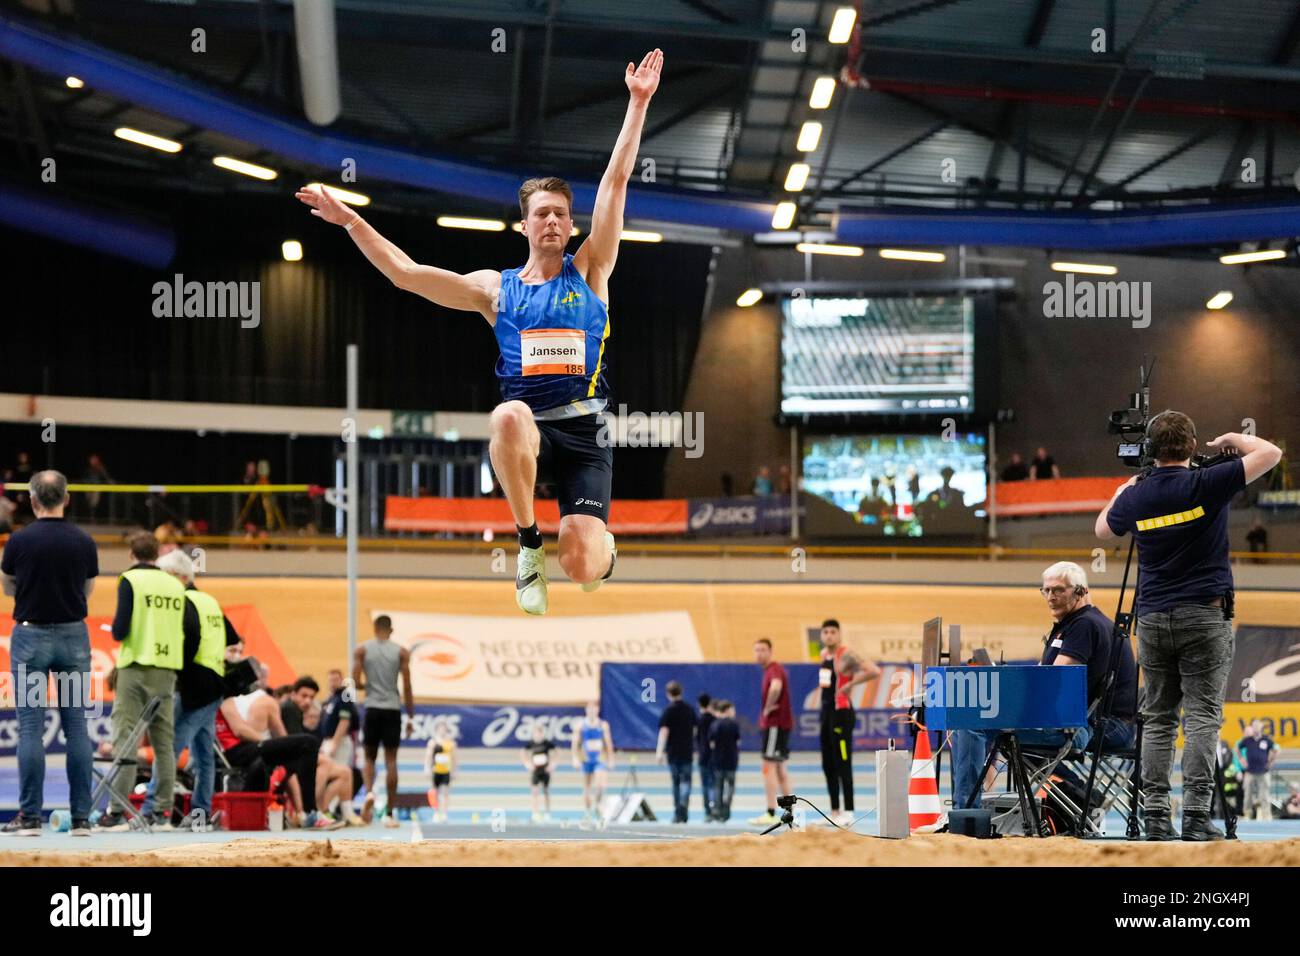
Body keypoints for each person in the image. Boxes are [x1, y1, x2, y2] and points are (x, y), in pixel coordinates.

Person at [296, 50, 665, 617]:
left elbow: (615, 184)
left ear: (571, 225)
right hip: (527, 431)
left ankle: (597, 550)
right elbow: (407, 275)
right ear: (523, 224)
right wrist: (351, 220)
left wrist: (637, 103)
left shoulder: (592, 269)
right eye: (540, 213)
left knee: (584, 567)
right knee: (507, 415)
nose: (551, 221)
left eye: (560, 214)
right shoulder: (496, 289)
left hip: (586, 432)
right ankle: (526, 545)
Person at [1097, 413, 1281, 841]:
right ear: (1192, 443)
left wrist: (1121, 490)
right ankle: (1197, 818)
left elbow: (1103, 529)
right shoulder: (1207, 482)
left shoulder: (1137, 495)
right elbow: (1270, 454)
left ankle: (1156, 818)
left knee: (1158, 719)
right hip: (1205, 614)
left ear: (1149, 450)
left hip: (1155, 618)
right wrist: (1232, 440)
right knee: (1201, 718)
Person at [951, 562, 1138, 811]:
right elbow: (1043, 680)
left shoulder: (1085, 625)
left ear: (1081, 591)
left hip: (1092, 727)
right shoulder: (1073, 625)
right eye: (1046, 590)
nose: (1051, 597)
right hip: (1084, 721)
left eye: (1058, 590)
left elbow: (1049, 685)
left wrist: (1000, 703)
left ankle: (966, 814)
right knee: (1002, 733)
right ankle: (1083, 794)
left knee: (971, 722)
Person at [0, 470, 99, 836]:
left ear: (32, 499)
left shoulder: (18, 541)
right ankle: (82, 819)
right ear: (67, 499)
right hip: (74, 637)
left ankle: (29, 818)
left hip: (30, 637)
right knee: (76, 728)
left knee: (30, 729)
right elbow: (87, 589)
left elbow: (9, 586)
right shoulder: (84, 541)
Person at [137, 549, 241, 830]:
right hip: (213, 684)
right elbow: (233, 638)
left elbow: (191, 639)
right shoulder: (209, 601)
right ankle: (200, 814)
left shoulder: (181, 601)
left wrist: (176, 668)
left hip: (196, 687)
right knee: (204, 755)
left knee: (169, 747)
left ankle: (152, 811)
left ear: (177, 576)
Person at [99, 531, 191, 830]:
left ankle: (117, 811)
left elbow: (120, 629)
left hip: (135, 666)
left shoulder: (130, 580)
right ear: (157, 555)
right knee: (164, 742)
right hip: (166, 670)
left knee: (125, 737)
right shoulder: (176, 586)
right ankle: (162, 813)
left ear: (131, 555)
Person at [215, 682, 344, 830]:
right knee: (309, 742)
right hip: (239, 751)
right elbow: (240, 731)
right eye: (304, 695)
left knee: (298, 756)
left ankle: (305, 813)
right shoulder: (227, 700)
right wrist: (269, 743)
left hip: (245, 750)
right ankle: (310, 813)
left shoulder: (236, 702)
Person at [817, 618, 881, 826]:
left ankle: (850, 810)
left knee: (843, 762)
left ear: (839, 634)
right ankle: (834, 811)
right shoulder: (823, 655)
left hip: (841, 714)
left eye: (832, 632)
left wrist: (851, 684)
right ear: (821, 635)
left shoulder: (846, 654)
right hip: (826, 714)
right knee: (828, 764)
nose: (828, 635)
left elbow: (874, 670)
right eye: (825, 632)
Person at [353, 615, 414, 828]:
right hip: (392, 709)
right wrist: (411, 717)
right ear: (391, 630)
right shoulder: (401, 652)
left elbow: (355, 680)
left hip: (372, 707)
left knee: (369, 758)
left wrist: (366, 686)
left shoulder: (362, 650)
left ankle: (369, 792)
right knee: (391, 761)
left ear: (374, 628)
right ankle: (389, 813)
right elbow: (406, 686)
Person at [750, 638, 793, 827]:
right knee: (780, 768)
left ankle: (770, 812)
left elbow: (776, 687)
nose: (759, 653)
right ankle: (791, 811)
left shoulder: (774, 669)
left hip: (775, 724)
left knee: (767, 767)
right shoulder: (771, 670)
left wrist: (767, 708)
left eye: (762, 650)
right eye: (756, 650)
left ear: (770, 651)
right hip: (779, 725)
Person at [655, 681, 697, 823]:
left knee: (676, 782)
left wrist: (659, 752)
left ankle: (678, 810)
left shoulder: (668, 711)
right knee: (686, 781)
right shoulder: (689, 709)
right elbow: (695, 729)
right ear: (681, 692)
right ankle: (684, 806)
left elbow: (664, 732)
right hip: (687, 751)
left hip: (673, 752)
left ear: (668, 694)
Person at [572, 700, 615, 823]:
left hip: (599, 759)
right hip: (586, 759)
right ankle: (588, 811)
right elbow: (575, 743)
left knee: (600, 785)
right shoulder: (580, 725)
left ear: (597, 710)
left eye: (594, 709)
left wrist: (611, 758)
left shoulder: (603, 725)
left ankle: (598, 807)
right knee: (586, 788)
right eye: (589, 709)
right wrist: (575, 758)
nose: (591, 711)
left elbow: (608, 742)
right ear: (586, 710)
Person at [1236, 719, 1277, 820]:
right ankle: (1247, 814)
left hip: (1264, 771)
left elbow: (1275, 750)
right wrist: (1242, 760)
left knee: (1264, 795)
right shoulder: (1247, 740)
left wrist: (1270, 762)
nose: (1256, 728)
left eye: (1257, 726)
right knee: (1248, 794)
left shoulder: (1266, 740)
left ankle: (1266, 815)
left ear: (1261, 727)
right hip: (1250, 771)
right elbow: (1237, 748)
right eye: (1254, 726)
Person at [709, 700, 741, 823]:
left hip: (718, 760)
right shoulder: (734, 725)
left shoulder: (714, 725)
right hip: (731, 760)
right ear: (727, 710)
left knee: (718, 787)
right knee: (731, 786)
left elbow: (711, 743)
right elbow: (737, 742)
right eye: (732, 709)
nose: (734, 712)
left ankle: (718, 810)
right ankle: (727, 809)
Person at [522, 724, 556, 822]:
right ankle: (535, 813)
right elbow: (523, 752)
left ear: (542, 734)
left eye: (539, 733)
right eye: (536, 733)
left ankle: (547, 813)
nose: (538, 735)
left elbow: (557, 752)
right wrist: (527, 764)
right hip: (535, 771)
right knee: (535, 792)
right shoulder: (531, 744)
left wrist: (553, 764)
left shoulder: (547, 743)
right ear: (533, 734)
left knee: (546, 792)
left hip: (545, 771)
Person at [424, 731, 456, 823]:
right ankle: (437, 812)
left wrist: (454, 770)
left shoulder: (451, 743)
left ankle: (444, 813)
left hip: (446, 771)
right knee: (436, 793)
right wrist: (426, 768)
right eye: (440, 728)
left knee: (445, 793)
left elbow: (454, 758)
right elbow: (428, 756)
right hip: (436, 771)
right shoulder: (432, 742)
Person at [696, 693, 717, 821]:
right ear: (709, 704)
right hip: (714, 757)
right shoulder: (714, 720)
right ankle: (714, 807)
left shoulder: (699, 720)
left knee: (704, 785)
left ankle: (707, 812)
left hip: (703, 756)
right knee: (714, 784)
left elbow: (697, 739)